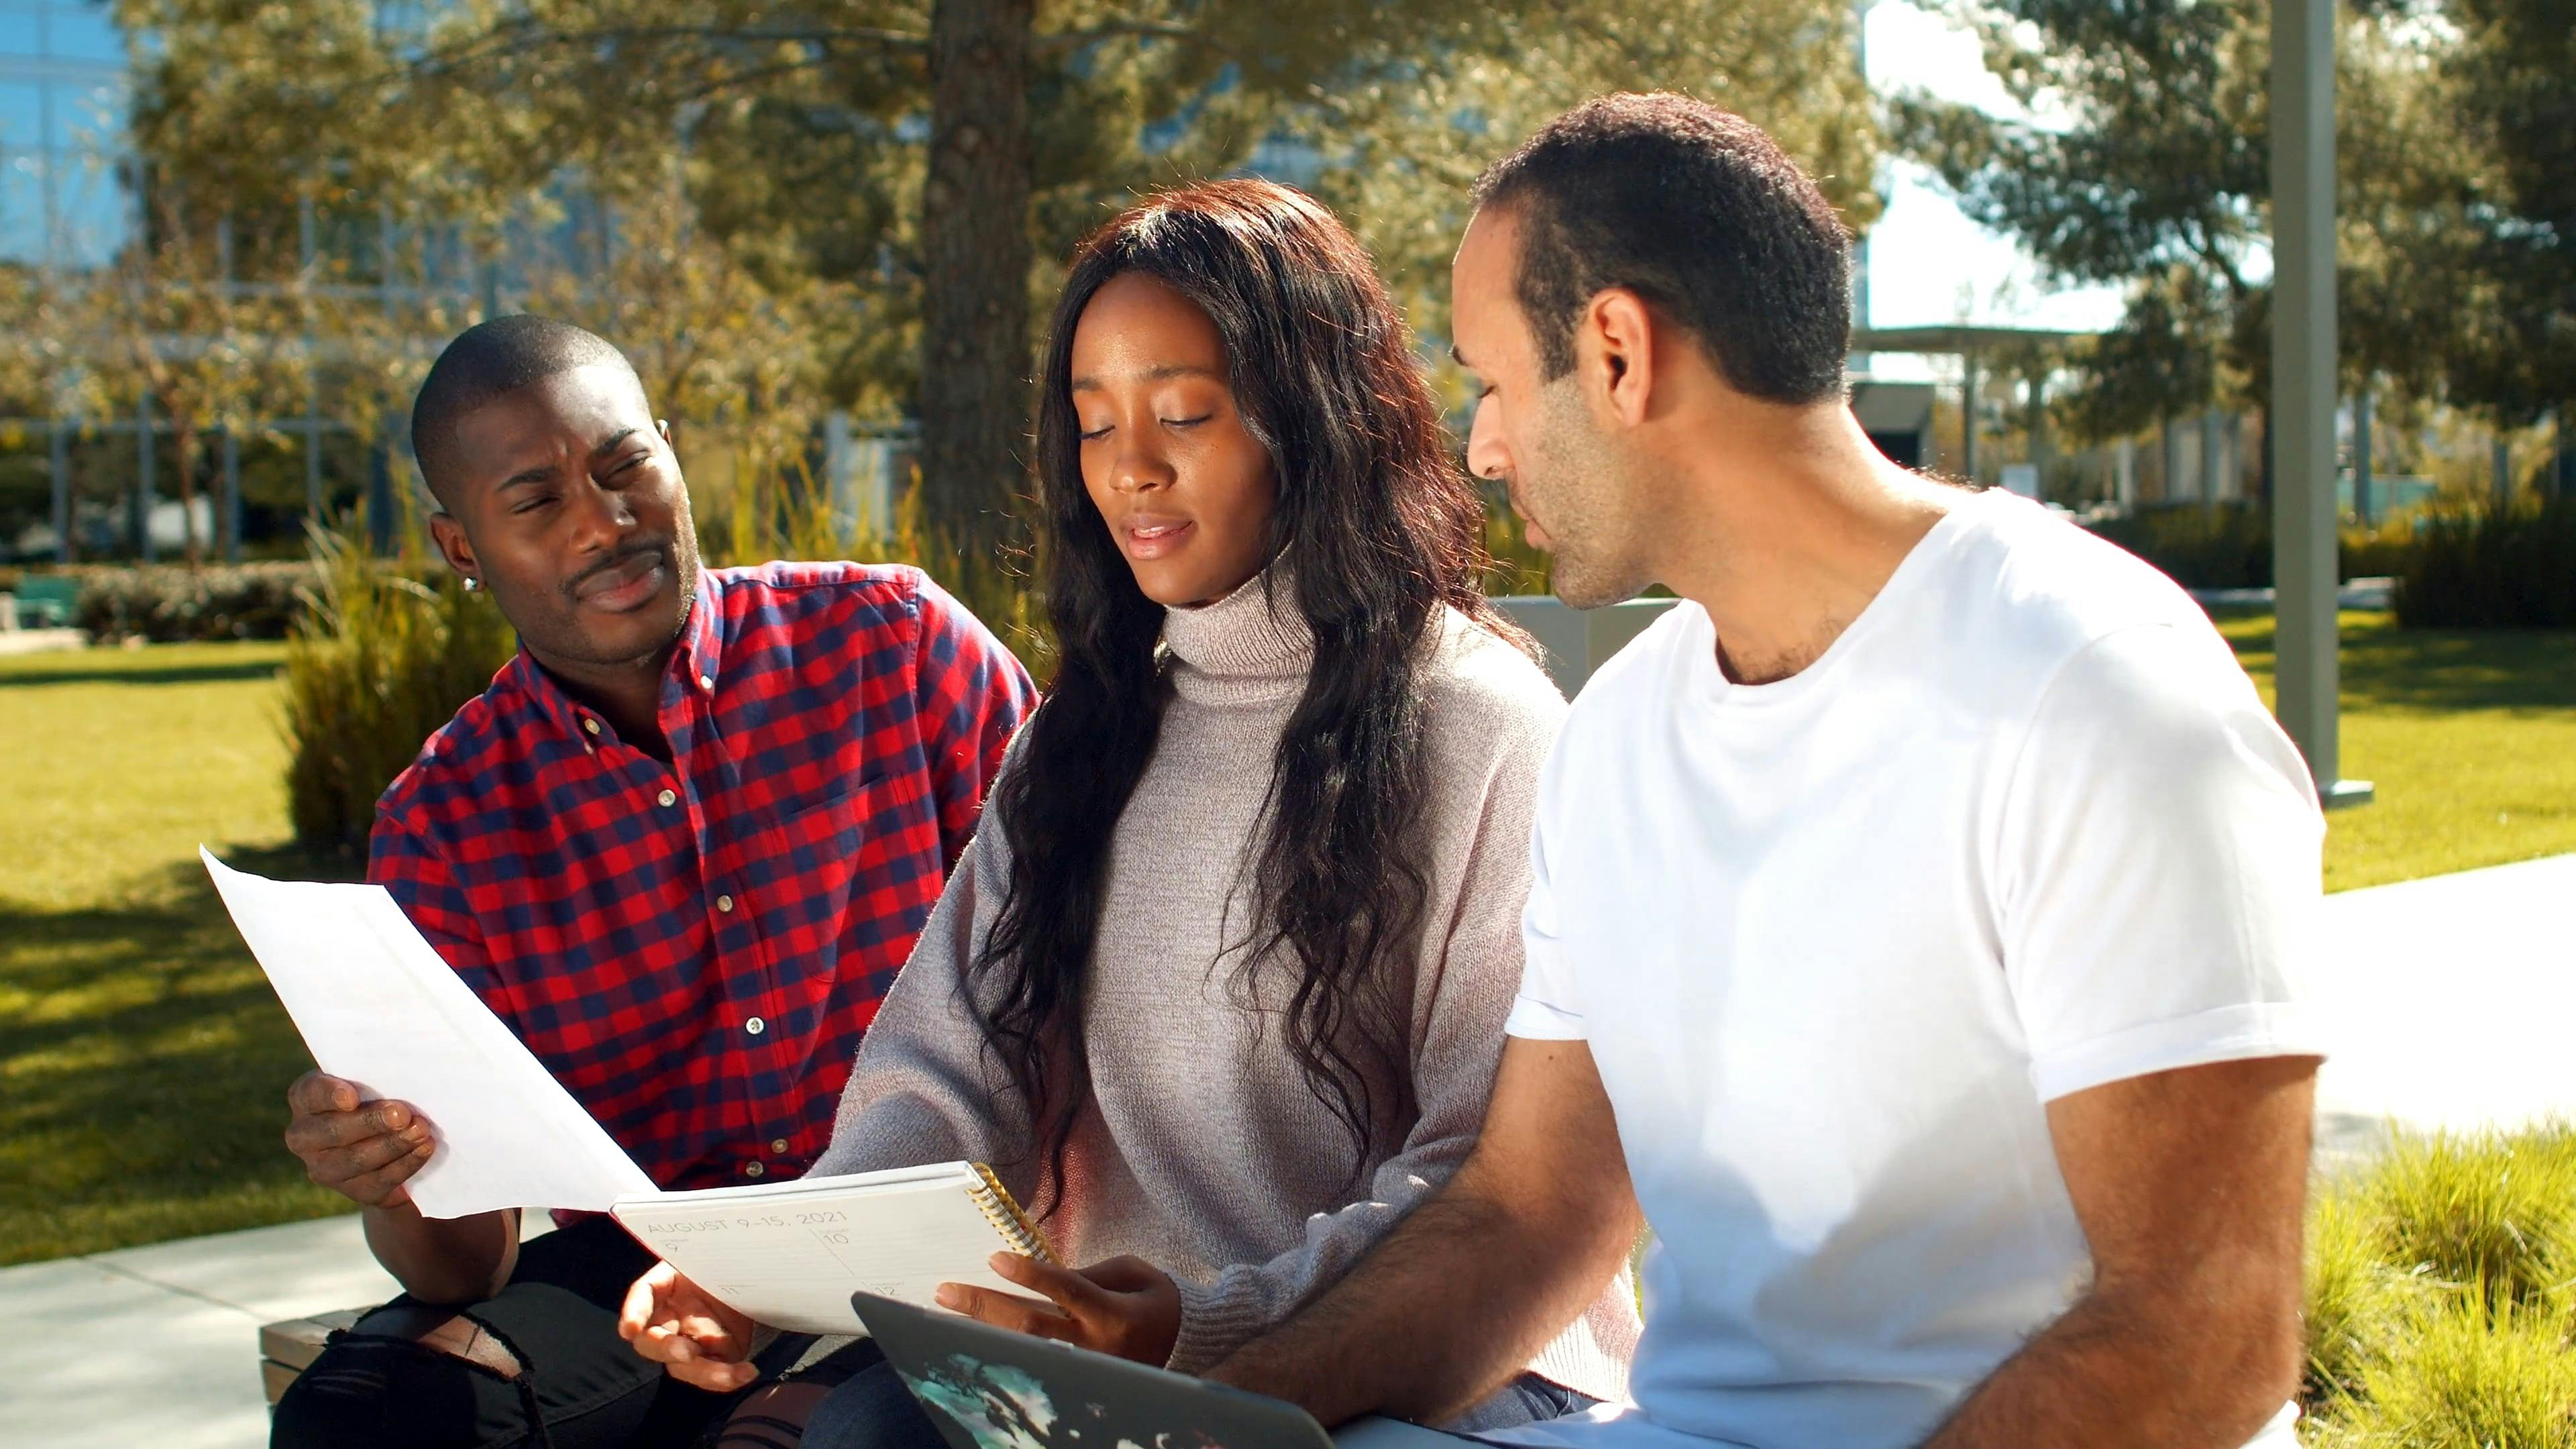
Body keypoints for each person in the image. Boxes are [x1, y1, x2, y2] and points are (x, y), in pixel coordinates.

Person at [1206, 94, 2329, 1449]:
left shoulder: (2097, 693)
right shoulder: (1620, 735)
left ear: (1618, 353)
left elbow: (2203, 1332)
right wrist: (1220, 1417)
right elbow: (1528, 1212)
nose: (1483, 449)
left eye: (1494, 383)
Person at [619, 179, 1642, 1444]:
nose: (1132, 470)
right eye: (1096, 426)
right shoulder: (1086, 732)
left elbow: (1488, 1179)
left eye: (1185, 415)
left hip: (1431, 1368)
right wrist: (768, 1284)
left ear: (1315, 418)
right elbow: (945, 1077)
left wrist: (1204, 1325)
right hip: (1102, 1370)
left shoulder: (1478, 726)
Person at [268, 315, 1038, 1449]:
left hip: (936, 1227)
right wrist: (388, 1177)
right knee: (362, 1416)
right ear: (461, 547)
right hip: (648, 1270)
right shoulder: (443, 825)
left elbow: (1090, 968)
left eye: (625, 463)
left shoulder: (902, 648)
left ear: (670, 455)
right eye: (535, 502)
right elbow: (467, 1262)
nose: (603, 520)